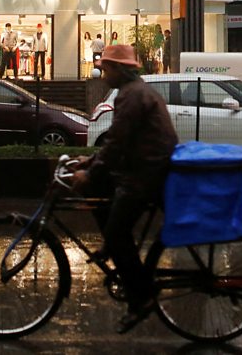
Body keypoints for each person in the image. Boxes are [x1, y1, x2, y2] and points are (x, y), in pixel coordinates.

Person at [70, 44, 177, 334]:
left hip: (146, 174)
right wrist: (91, 161)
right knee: (103, 193)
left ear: (118, 70)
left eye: (105, 69)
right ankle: (112, 247)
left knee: (118, 233)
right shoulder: (135, 92)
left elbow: (117, 142)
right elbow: (117, 141)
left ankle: (141, 298)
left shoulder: (131, 96)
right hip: (144, 167)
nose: (102, 75)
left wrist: (90, 170)